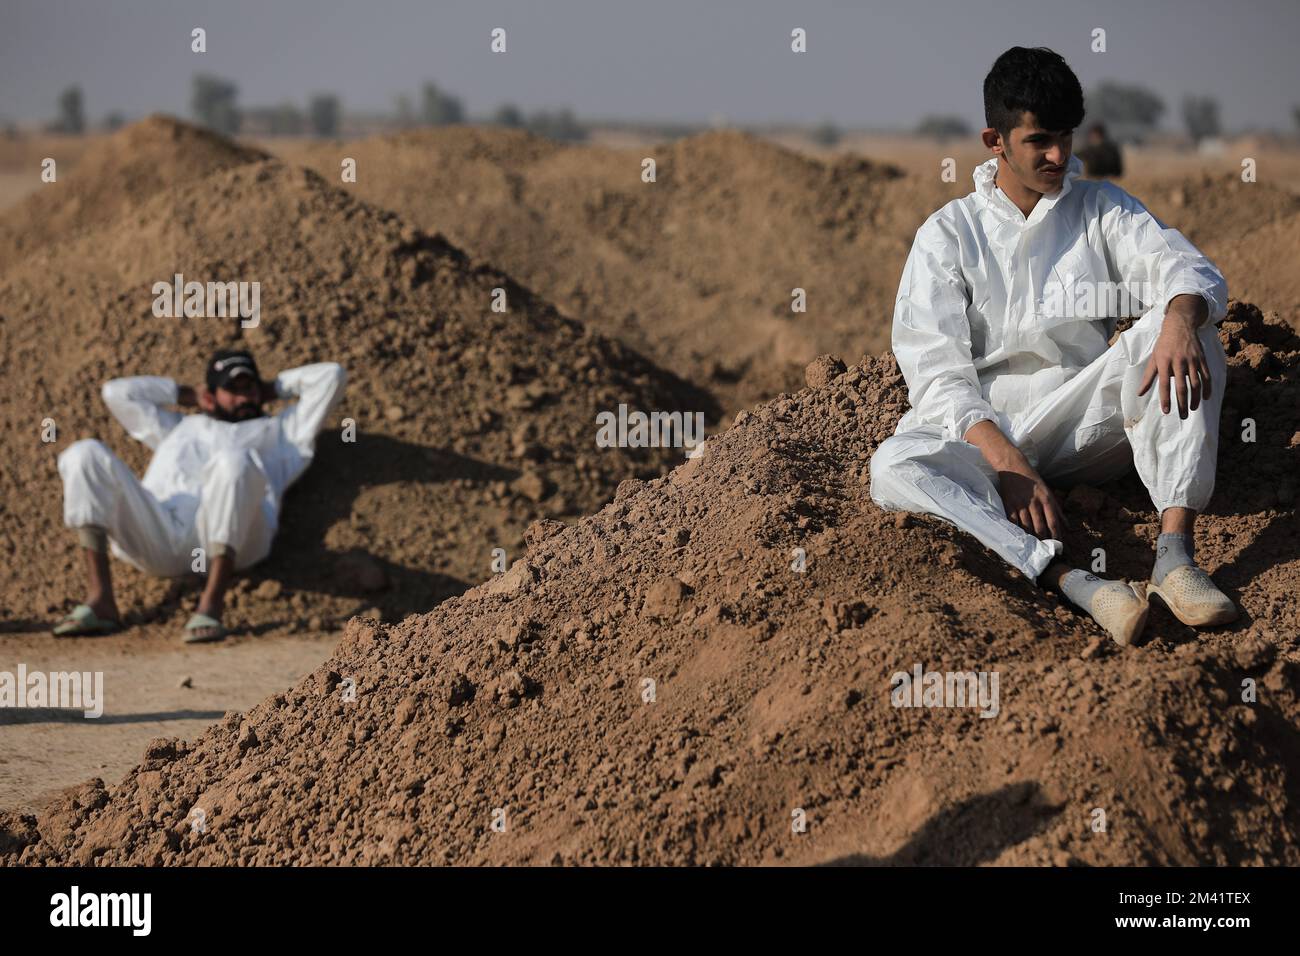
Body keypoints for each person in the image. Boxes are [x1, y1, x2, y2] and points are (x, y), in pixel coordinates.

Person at [869, 47, 1236, 645]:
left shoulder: (1101, 208)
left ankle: (1175, 559)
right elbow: (936, 373)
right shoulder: (948, 234)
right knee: (892, 469)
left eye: (1064, 136)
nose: (1058, 156)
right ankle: (1068, 579)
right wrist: (1007, 464)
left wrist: (1177, 321)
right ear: (996, 140)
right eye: (1039, 140)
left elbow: (1185, 270)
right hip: (985, 436)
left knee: (1185, 331)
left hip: (1080, 420)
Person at [52, 349, 346, 643]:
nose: (244, 397)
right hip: (163, 537)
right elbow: (116, 392)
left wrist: (271, 389)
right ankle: (101, 599)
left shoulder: (283, 436)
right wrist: (187, 394)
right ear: (211, 394)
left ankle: (211, 605)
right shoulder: (177, 428)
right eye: (232, 389)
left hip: (239, 543)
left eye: (250, 387)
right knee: (84, 453)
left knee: (234, 460)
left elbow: (330, 376)